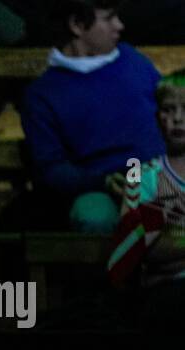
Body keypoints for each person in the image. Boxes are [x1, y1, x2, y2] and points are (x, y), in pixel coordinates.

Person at [21, 2, 165, 233]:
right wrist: (103, 181)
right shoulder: (43, 95)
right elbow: (51, 169)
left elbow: (171, 110)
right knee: (93, 216)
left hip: (161, 178)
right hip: (102, 190)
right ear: (77, 25)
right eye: (109, 19)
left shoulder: (132, 60)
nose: (119, 26)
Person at [107, 72, 185, 321]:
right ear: (158, 118)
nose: (178, 119)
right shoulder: (142, 178)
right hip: (165, 293)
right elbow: (135, 250)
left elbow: (164, 244)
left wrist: (172, 236)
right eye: (169, 110)